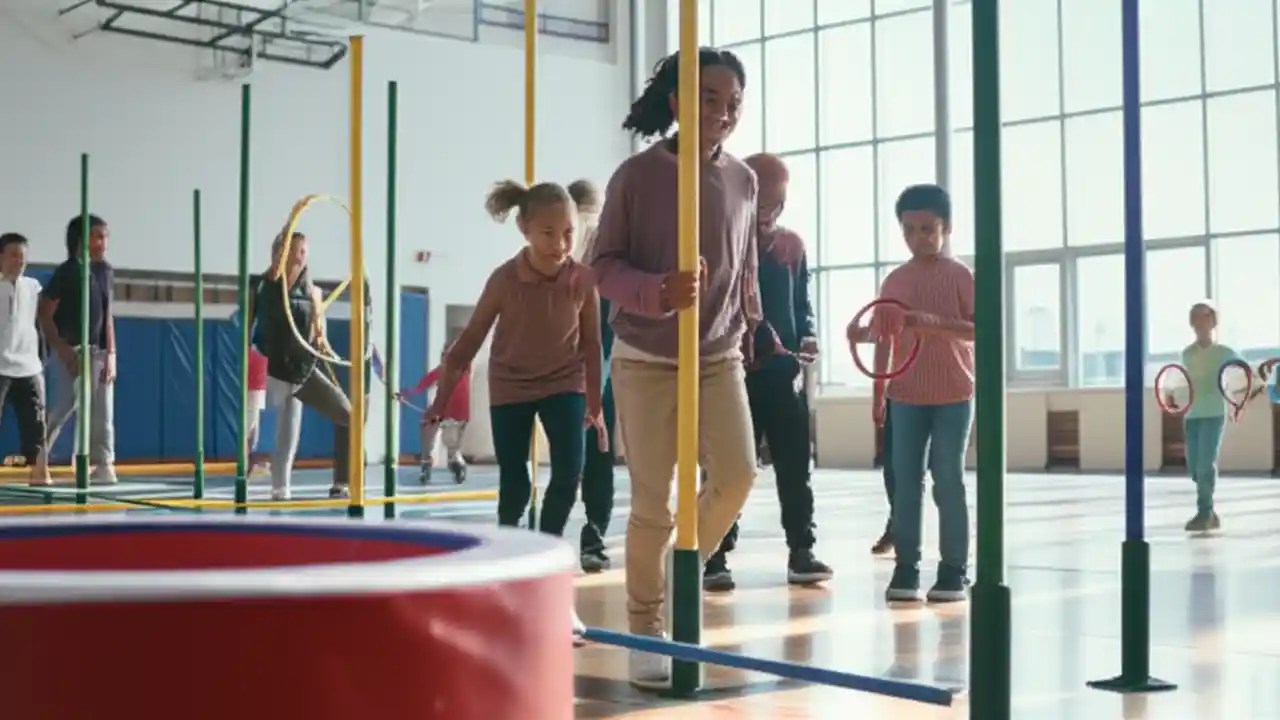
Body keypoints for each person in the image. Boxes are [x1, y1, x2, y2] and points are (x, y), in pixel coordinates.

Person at [588, 47, 760, 689]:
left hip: (718, 355)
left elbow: (742, 271)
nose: (722, 113)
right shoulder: (635, 176)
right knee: (653, 504)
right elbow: (602, 268)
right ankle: (644, 624)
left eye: (733, 103)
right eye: (710, 99)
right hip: (645, 357)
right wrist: (658, 291)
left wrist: (748, 330)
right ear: (677, 103)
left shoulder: (744, 181)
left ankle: (669, 574)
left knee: (739, 476)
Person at [426, 179, 603, 536]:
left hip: (563, 383)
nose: (561, 244)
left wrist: (595, 405)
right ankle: (509, 538)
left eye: (568, 233)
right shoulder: (504, 280)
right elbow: (469, 342)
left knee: (570, 472)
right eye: (548, 233)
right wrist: (440, 402)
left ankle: (546, 544)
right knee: (515, 481)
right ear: (524, 228)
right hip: (511, 386)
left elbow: (592, 345)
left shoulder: (583, 280)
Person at [701, 152, 832, 591]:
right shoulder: (724, 243)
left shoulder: (793, 247)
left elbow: (802, 307)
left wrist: (808, 336)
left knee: (795, 467)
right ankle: (714, 555)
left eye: (777, 203)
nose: (769, 212)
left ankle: (802, 550)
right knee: (726, 468)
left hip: (783, 374)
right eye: (762, 203)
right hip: (732, 374)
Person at [866, 184, 975, 605]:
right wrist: (879, 391)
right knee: (905, 482)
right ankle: (906, 566)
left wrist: (927, 322)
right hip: (905, 395)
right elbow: (881, 338)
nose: (919, 237)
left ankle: (953, 570)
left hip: (953, 393)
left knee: (948, 479)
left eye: (928, 228)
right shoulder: (894, 279)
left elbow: (978, 329)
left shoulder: (961, 275)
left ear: (945, 228)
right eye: (910, 229)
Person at [253, 231, 353, 501]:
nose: (302, 253)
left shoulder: (313, 292)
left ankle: (341, 482)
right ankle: (278, 488)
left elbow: (319, 332)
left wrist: (324, 345)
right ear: (282, 252)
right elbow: (253, 325)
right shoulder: (265, 285)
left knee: (347, 414)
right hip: (273, 369)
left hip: (302, 370)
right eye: (296, 248)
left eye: (304, 249)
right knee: (281, 434)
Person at [41, 214, 117, 485]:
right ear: (82, 240)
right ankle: (41, 458)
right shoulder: (68, 271)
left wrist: (111, 355)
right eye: (98, 236)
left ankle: (104, 462)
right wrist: (61, 348)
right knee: (62, 407)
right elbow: (45, 313)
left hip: (98, 351)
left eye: (106, 236)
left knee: (102, 410)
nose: (104, 242)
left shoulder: (105, 271)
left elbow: (107, 316)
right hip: (71, 351)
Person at [569, 178, 616, 574]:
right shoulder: (591, 246)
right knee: (594, 451)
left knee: (588, 452)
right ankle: (593, 535)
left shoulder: (601, 249)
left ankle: (591, 534)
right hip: (592, 362)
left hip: (597, 362)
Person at [1178, 301, 1240, 532]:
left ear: (1212, 321)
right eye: (1193, 317)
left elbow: (1244, 375)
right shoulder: (1187, 354)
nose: (1197, 321)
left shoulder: (1225, 353)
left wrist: (1237, 401)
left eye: (1202, 316)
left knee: (1205, 465)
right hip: (1191, 415)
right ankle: (1208, 511)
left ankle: (1205, 511)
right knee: (1194, 467)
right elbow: (1182, 384)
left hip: (1214, 413)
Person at [0, 233, 50, 487]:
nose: (19, 261)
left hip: (28, 367)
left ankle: (39, 474)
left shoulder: (32, 286)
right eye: (14, 255)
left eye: (23, 256)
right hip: (1, 367)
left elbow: (39, 323)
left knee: (36, 425)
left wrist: (42, 357)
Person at [398, 345, 470, 484]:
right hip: (441, 410)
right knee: (427, 427)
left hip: (457, 414)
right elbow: (423, 385)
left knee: (451, 444)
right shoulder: (441, 370)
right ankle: (427, 463)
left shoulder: (464, 369)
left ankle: (457, 465)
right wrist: (406, 394)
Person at [246, 346, 270, 476]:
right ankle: (247, 462)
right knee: (250, 426)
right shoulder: (252, 347)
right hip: (252, 387)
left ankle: (250, 460)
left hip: (259, 386)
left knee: (254, 425)